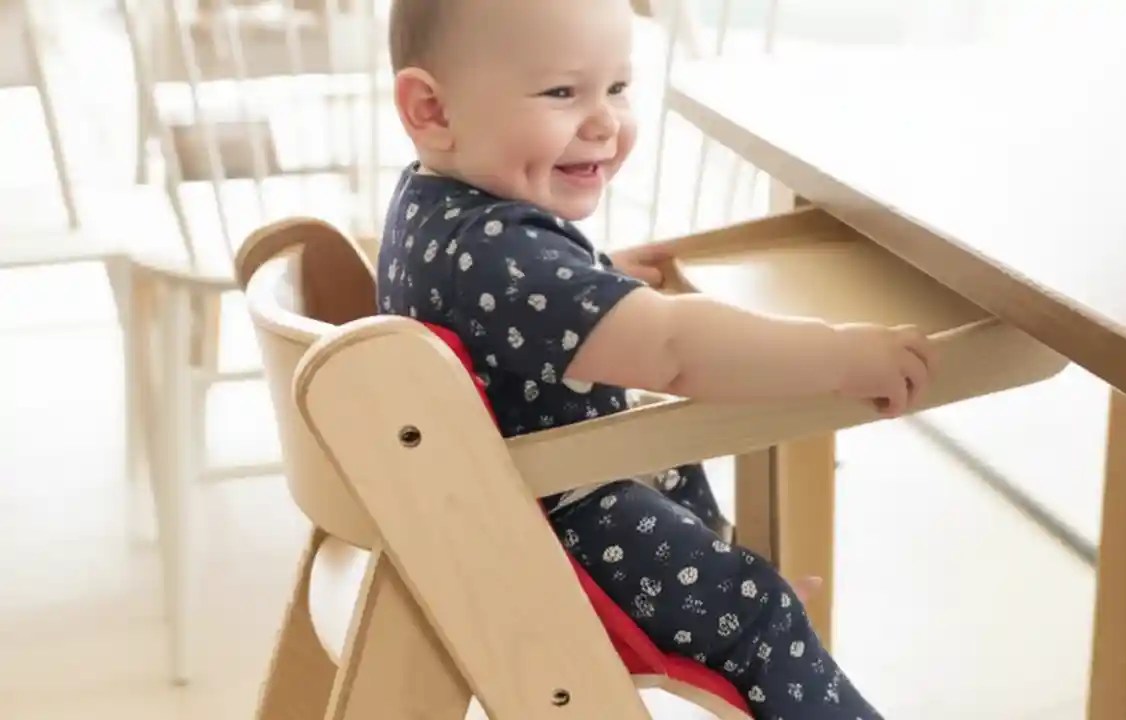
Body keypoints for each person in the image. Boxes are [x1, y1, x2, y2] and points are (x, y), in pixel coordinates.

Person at [377, 0, 933, 716]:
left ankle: (729, 613)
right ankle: (751, 631)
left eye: (616, 88)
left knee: (715, 546)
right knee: (761, 616)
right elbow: (675, 349)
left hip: (516, 510)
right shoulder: (496, 256)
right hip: (553, 540)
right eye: (561, 92)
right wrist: (841, 357)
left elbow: (507, 303)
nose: (605, 122)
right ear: (431, 109)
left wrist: (593, 280)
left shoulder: (437, 212)